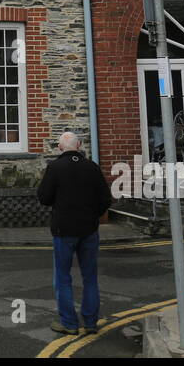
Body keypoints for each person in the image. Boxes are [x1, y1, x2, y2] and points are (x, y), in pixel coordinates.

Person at [36, 131, 114, 336]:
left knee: (62, 277)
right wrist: (93, 216)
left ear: (60, 147)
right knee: (90, 277)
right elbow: (106, 199)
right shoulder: (92, 167)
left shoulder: (55, 168)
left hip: (64, 230)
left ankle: (69, 323)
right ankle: (90, 322)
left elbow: (43, 197)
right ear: (78, 145)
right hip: (89, 229)